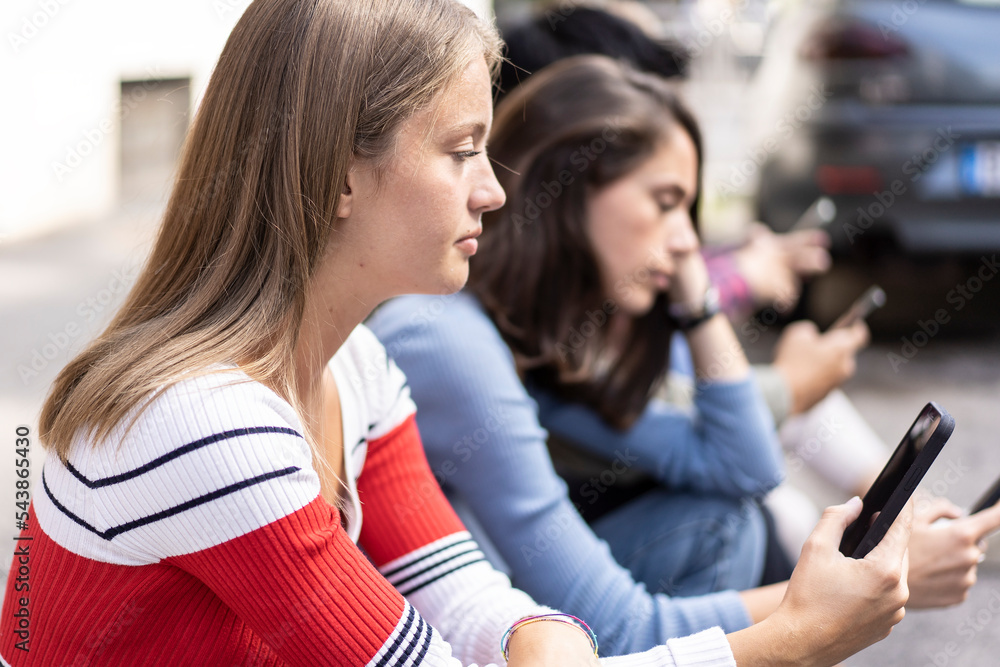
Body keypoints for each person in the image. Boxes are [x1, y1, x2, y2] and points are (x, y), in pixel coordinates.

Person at [0, 2, 909, 667]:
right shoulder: (208, 421)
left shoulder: (356, 361)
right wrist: (793, 641)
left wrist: (527, 631)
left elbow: (458, 586)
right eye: (460, 148)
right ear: (337, 174)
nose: (494, 191)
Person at [368, 54, 912, 662]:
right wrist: (820, 613)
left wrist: (699, 305)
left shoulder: (565, 334)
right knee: (721, 528)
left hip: (521, 628)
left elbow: (746, 466)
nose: (686, 243)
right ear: (570, 190)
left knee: (722, 516)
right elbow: (613, 623)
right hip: (490, 641)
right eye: (664, 201)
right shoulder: (448, 336)